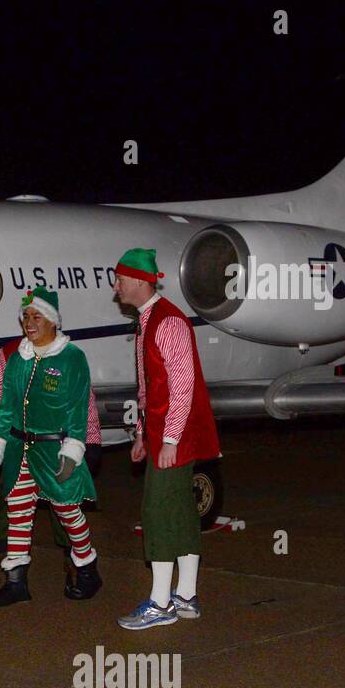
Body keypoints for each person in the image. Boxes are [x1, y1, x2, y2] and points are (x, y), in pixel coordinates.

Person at [111, 248, 221, 630]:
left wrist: (170, 439)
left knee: (158, 514)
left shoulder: (168, 322)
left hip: (176, 438)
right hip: (163, 435)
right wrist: (142, 432)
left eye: (120, 279)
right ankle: (186, 596)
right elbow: (149, 386)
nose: (116, 286)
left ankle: (161, 604)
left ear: (140, 281)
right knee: (180, 512)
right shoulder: (148, 320)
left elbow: (182, 385)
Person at [0, 286, 101, 606]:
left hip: (54, 451)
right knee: (18, 513)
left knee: (68, 511)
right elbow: (6, 407)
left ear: (53, 321)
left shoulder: (72, 358)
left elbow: (78, 407)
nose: (30, 323)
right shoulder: (18, 358)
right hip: (20, 451)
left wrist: (74, 450)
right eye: (26, 317)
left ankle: (88, 568)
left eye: (37, 316)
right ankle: (16, 582)